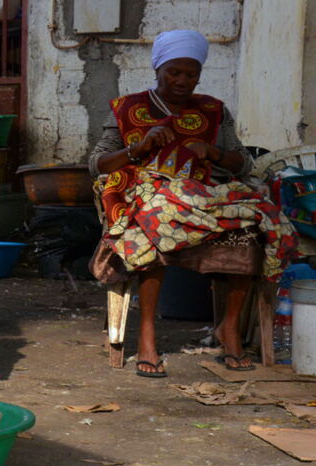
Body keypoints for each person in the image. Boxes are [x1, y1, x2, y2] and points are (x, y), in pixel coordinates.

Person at [90, 29, 298, 377]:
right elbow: (96, 164)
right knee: (152, 224)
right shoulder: (128, 109)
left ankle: (229, 329)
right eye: (174, 72)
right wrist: (137, 148)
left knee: (251, 229)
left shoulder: (213, 111)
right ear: (157, 70)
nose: (182, 80)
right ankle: (147, 336)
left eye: (191, 74)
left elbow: (244, 163)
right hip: (150, 198)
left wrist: (214, 152)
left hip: (202, 201)